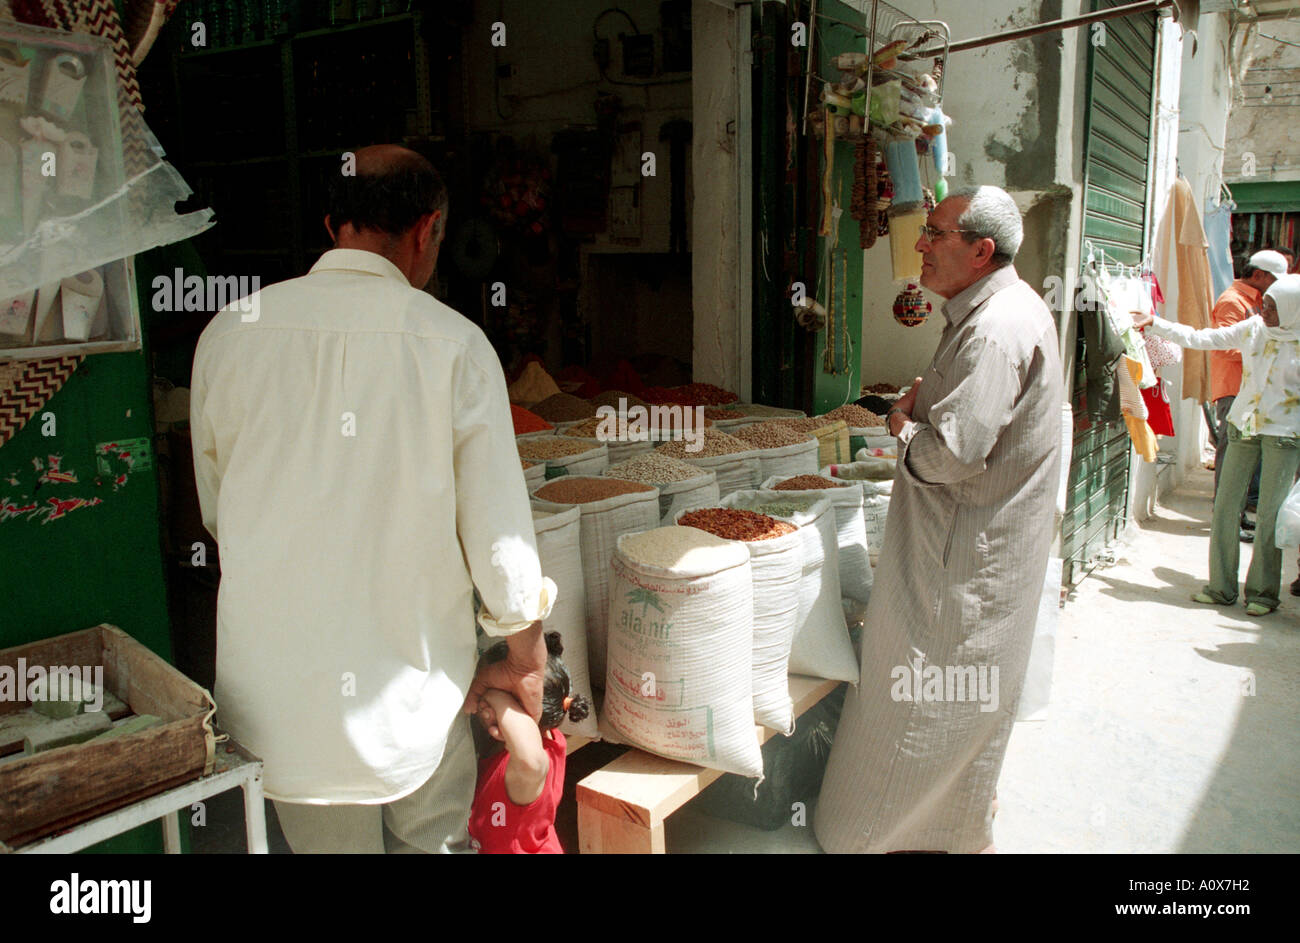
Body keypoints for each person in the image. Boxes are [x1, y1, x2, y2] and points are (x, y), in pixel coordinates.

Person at [190, 145, 556, 853]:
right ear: (427, 231)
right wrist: (525, 653)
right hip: (413, 699)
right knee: (434, 844)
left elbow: (217, 511)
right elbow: (501, 544)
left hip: (278, 706)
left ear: (334, 223)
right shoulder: (454, 346)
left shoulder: (228, 335)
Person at [814, 186, 1064, 854]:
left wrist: (900, 424)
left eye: (935, 232)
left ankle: (866, 837)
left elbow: (952, 453)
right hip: (973, 556)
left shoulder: (995, 328)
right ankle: (944, 834)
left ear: (981, 250)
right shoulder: (996, 311)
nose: (920, 244)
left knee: (916, 717)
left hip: (959, 569)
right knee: (954, 726)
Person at [1135, 274, 1300, 616]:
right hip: (1243, 426)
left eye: (1272, 307)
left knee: (1269, 514)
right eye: (1264, 304)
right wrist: (1157, 324)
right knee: (1226, 507)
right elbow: (1202, 337)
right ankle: (1221, 587)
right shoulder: (1254, 328)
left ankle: (1263, 594)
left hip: (1285, 435)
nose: (1264, 311)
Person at [468, 632, 590, 854]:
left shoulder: (521, 770)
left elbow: (531, 761)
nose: (479, 706)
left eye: (486, 697)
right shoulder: (549, 737)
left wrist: (495, 696)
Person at [1208, 251, 1287, 541]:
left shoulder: (1254, 301)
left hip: (1248, 392)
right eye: (1273, 279)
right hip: (1232, 390)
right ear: (1258, 275)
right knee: (1230, 458)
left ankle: (1236, 516)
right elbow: (1221, 347)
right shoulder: (1232, 301)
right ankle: (1225, 518)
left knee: (1245, 461)